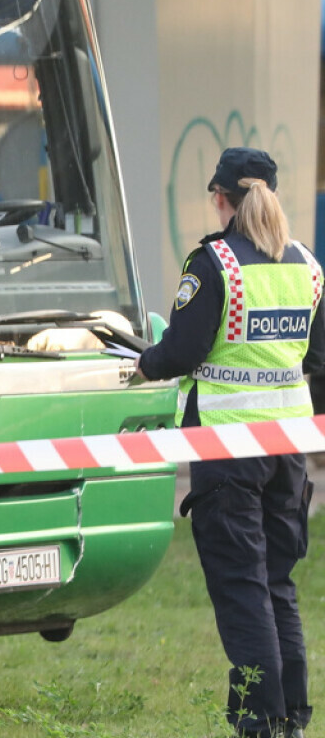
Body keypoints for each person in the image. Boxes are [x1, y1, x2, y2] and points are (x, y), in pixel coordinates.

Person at [134, 147, 325, 738]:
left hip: (227, 449)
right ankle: (291, 717)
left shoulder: (213, 263)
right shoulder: (307, 266)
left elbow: (182, 352)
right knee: (276, 584)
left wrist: (144, 362)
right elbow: (316, 361)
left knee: (243, 586)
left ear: (221, 198)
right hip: (288, 448)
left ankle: (257, 722)